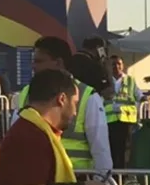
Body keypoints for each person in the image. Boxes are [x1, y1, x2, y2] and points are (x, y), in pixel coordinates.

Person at [16, 37, 113, 177]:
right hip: (35, 180)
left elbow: (101, 150)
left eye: (39, 61)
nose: (33, 66)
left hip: (76, 182)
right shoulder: (25, 93)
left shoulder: (89, 96)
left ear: (58, 63)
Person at [106, 55, 143, 170]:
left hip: (125, 120)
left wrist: (145, 100)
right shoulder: (105, 80)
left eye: (119, 64)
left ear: (123, 65)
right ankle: (112, 173)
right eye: (113, 64)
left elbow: (138, 95)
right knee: (110, 149)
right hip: (109, 120)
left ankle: (122, 174)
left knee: (123, 150)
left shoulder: (130, 80)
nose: (116, 66)